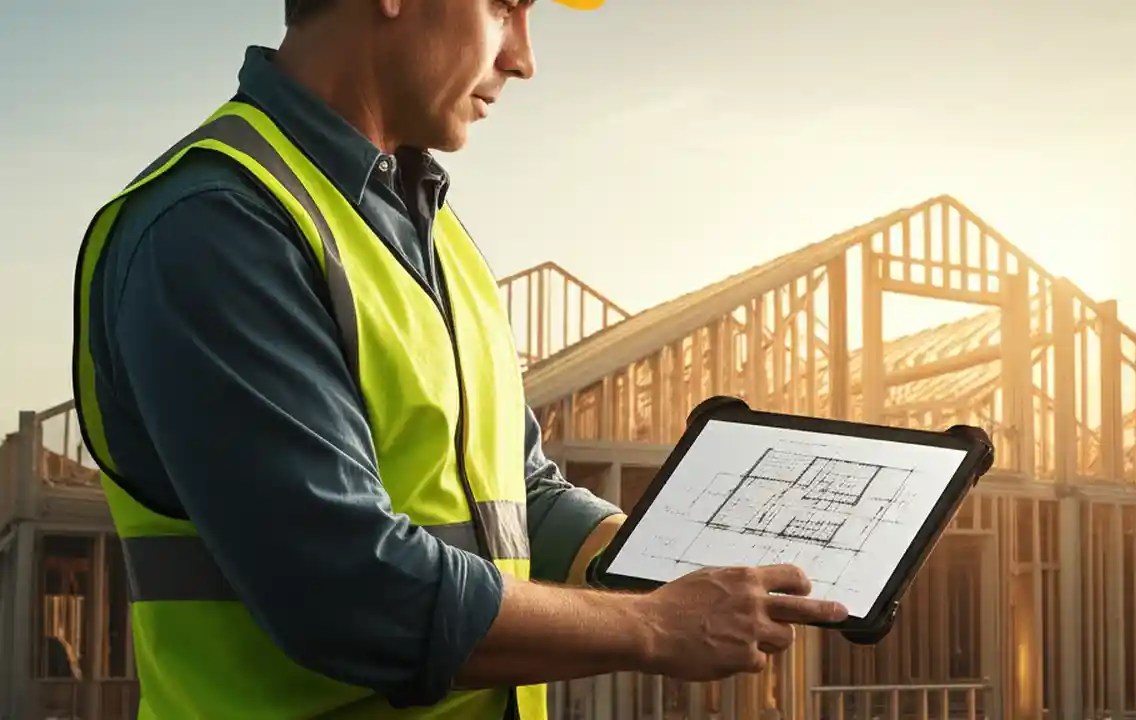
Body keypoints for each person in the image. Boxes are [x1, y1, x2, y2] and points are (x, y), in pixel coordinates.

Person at [70, 0, 848, 718]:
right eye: (505, 7)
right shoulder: (217, 226)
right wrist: (652, 624)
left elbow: (519, 495)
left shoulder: (432, 232)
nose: (524, 58)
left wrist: (665, 559)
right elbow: (346, 590)